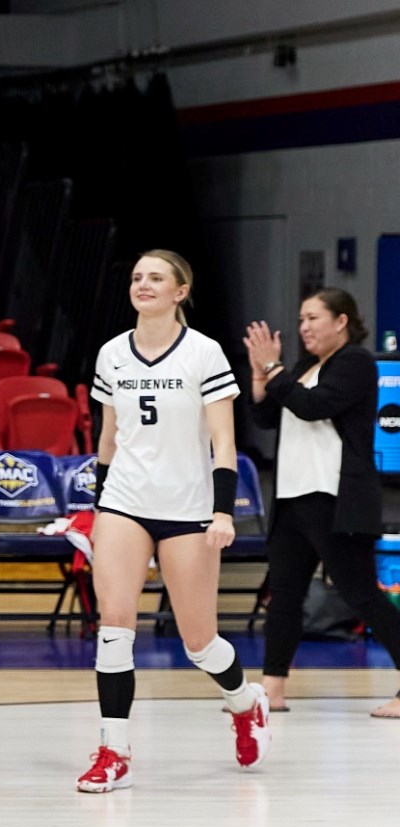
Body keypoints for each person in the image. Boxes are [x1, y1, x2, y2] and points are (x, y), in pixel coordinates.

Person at [82, 250, 267, 792]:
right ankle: (113, 751)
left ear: (179, 291)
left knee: (199, 642)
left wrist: (223, 511)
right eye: (137, 276)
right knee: (114, 627)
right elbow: (107, 439)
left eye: (155, 278)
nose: (143, 284)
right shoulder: (112, 353)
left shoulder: (204, 353)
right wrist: (98, 503)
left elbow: (225, 443)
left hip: (188, 509)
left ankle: (242, 701)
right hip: (123, 502)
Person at [246, 289, 400, 717]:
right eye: (300, 320)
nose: (304, 328)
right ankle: (272, 688)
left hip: (335, 498)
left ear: (341, 321)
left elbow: (314, 407)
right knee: (285, 595)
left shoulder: (356, 362)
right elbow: (266, 417)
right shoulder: (302, 367)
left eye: (313, 318)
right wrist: (261, 377)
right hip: (293, 498)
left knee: (361, 595)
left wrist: (275, 370)